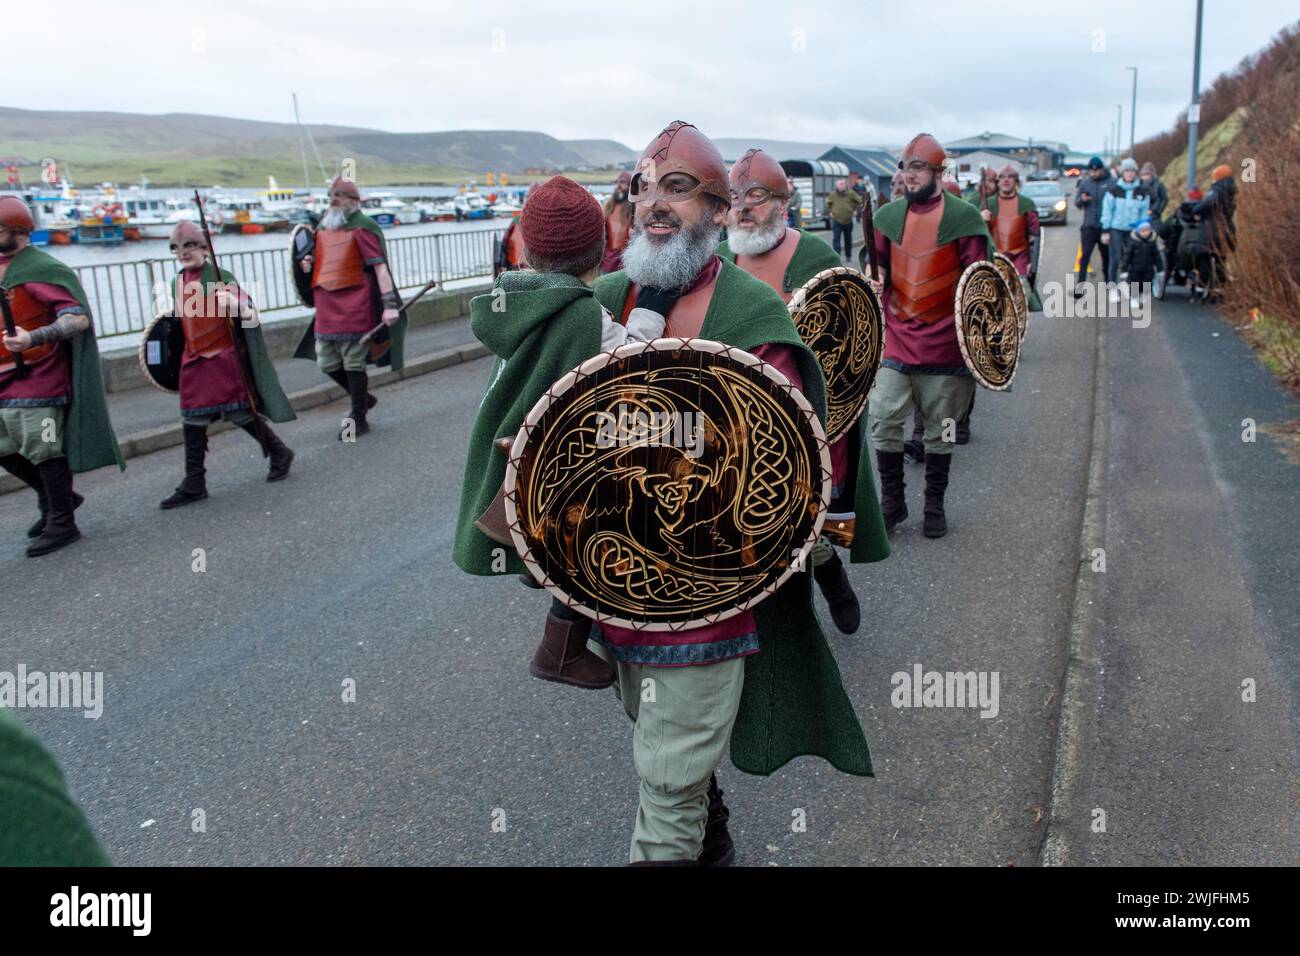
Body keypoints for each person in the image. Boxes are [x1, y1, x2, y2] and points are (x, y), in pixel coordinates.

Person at [592, 121, 880, 865]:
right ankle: (710, 834)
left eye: (678, 189)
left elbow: (763, 463)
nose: (654, 201)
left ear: (717, 211)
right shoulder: (601, 302)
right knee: (654, 731)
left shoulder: (754, 319)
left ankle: (687, 824)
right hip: (612, 578)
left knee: (667, 777)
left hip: (708, 582)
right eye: (643, 187)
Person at [453, 176, 670, 691]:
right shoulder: (577, 314)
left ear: (527, 249)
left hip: (515, 443)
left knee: (559, 541)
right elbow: (631, 356)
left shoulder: (511, 298)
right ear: (598, 250)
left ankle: (558, 630)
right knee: (592, 529)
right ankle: (560, 651)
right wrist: (654, 303)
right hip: (554, 458)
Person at [715, 147, 891, 636]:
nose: (743, 207)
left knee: (799, 514)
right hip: (736, 415)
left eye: (756, 196)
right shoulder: (718, 259)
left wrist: (864, 301)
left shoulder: (815, 256)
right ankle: (782, 612)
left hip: (810, 416)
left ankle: (827, 575)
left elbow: (846, 341)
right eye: (734, 198)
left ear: (782, 204)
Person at [867, 133, 993, 540]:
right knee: (884, 420)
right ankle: (892, 502)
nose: (909, 175)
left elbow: (981, 285)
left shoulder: (964, 219)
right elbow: (878, 270)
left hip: (945, 342)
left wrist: (981, 344)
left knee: (941, 430)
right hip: (897, 338)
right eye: (905, 167)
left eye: (918, 167)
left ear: (939, 171)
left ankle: (934, 504)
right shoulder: (885, 219)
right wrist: (875, 280)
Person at [0, 196, 122, 557]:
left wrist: (33, 338)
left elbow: (75, 317)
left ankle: (62, 521)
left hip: (39, 375)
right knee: (4, 448)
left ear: (18, 231)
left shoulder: (40, 269)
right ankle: (57, 498)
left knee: (42, 445)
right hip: (5, 376)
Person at [157, 221, 296, 509]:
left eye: (189, 246)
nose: (183, 253)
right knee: (192, 420)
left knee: (239, 414)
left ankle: (279, 452)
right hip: (193, 361)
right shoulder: (176, 281)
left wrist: (235, 305)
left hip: (223, 358)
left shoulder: (221, 276)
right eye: (177, 248)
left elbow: (251, 316)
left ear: (205, 248)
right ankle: (194, 482)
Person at [292, 176, 408, 438]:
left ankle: (358, 417)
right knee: (326, 362)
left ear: (353, 201)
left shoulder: (363, 227)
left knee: (354, 362)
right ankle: (363, 398)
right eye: (331, 195)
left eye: (339, 196)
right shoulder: (323, 226)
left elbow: (380, 267)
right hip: (326, 306)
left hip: (356, 304)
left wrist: (389, 305)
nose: (333, 200)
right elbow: (316, 257)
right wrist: (307, 264)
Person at [1101, 157, 1152, 290]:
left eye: (1132, 171)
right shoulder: (1113, 190)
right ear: (1122, 173)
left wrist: (1143, 230)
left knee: (1133, 260)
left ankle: (1131, 287)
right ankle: (1112, 287)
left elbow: (1144, 213)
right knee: (1115, 258)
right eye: (1127, 171)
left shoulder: (1142, 192)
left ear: (1135, 173)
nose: (1129, 173)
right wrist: (1105, 230)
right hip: (1116, 228)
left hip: (1133, 230)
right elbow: (1107, 211)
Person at [1191, 164, 1237, 300]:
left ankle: (1202, 290)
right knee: (1220, 262)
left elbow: (1205, 204)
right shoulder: (1230, 191)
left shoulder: (1216, 190)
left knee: (1204, 259)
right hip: (1226, 230)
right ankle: (1219, 292)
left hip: (1211, 231)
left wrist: (1195, 209)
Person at [1073, 156, 1112, 297]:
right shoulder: (1085, 183)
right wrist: (1082, 200)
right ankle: (1080, 286)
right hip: (1088, 226)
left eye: (1096, 171)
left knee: (1106, 256)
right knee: (1084, 257)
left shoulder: (1111, 182)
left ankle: (1109, 283)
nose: (1094, 173)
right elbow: (1077, 203)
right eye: (1091, 171)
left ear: (1102, 170)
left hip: (1105, 226)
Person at [1120, 217, 1163, 308]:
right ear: (1138, 231)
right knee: (1134, 284)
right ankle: (1134, 299)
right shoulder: (1133, 243)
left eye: (1147, 230)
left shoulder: (1152, 243)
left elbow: (1157, 256)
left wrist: (1160, 269)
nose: (1146, 233)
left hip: (1148, 269)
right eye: (1143, 231)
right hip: (1135, 269)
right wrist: (1124, 269)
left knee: (1147, 283)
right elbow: (1127, 256)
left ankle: (1142, 296)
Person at [601, 171, 633, 273]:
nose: (618, 186)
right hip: (606, 262)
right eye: (617, 182)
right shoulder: (609, 207)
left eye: (622, 182)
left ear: (630, 185)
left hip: (625, 263)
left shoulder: (634, 207)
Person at [825, 177, 863, 263]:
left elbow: (860, 201)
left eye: (842, 184)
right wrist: (830, 212)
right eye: (839, 184)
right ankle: (837, 256)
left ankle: (848, 255)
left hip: (848, 220)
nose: (841, 186)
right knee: (836, 239)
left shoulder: (851, 193)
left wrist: (856, 210)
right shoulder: (833, 194)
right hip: (836, 220)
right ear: (837, 185)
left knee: (848, 239)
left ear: (845, 185)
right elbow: (828, 204)